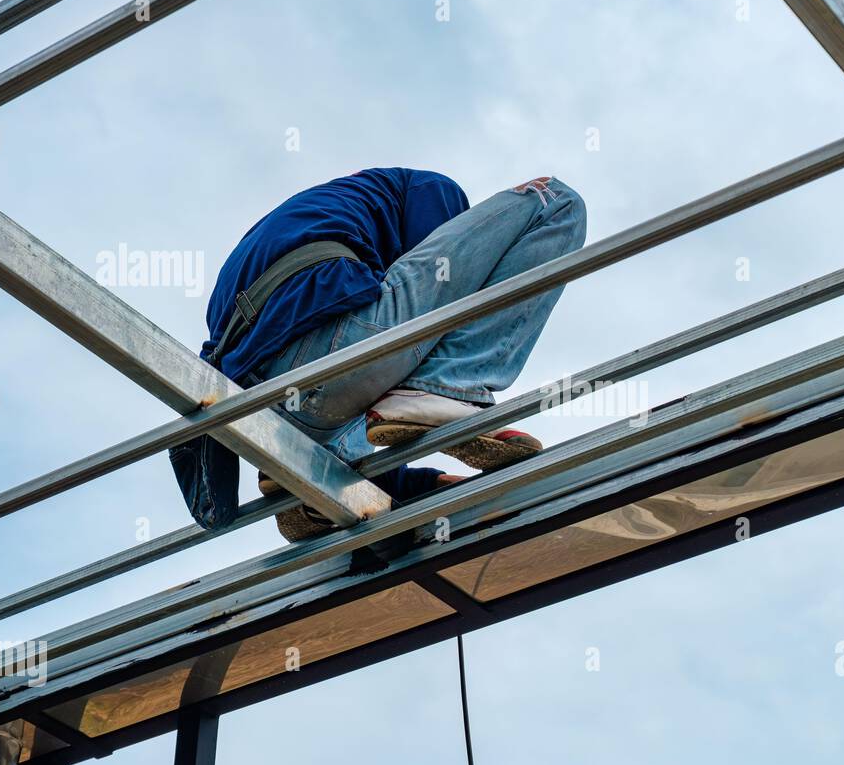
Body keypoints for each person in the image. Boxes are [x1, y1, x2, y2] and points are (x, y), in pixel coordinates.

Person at [172, 168, 587, 541]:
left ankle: (309, 484)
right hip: (337, 345)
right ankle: (450, 388)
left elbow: (376, 396)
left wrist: (434, 483)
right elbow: (441, 290)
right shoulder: (433, 190)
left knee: (387, 405)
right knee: (557, 199)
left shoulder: (318, 223)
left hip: (278, 410)